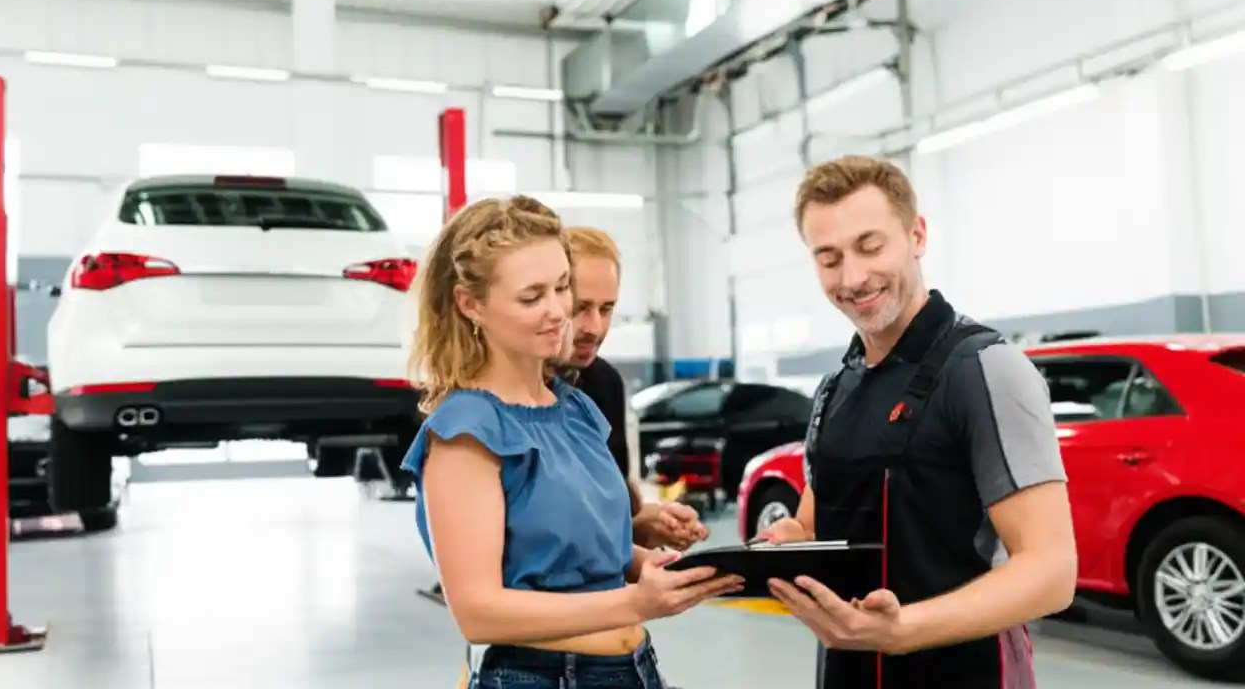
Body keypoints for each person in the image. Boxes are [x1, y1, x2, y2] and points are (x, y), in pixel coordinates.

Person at [399, 195, 743, 689]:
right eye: (531, 297)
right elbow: (477, 612)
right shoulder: (466, 432)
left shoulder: (575, 409)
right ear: (470, 304)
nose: (559, 311)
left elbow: (591, 559)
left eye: (562, 287)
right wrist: (636, 602)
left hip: (634, 668)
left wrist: (661, 568)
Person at [759, 156, 1077, 688]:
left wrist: (901, 631)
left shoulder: (985, 370)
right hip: (849, 671)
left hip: (967, 674)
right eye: (829, 259)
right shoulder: (836, 387)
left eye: (870, 247)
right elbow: (813, 526)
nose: (852, 278)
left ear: (917, 236)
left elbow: (1051, 572)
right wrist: (782, 542)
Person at [561, 226, 709, 551]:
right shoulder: (506, 401)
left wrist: (642, 527)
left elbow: (611, 518)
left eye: (606, 309)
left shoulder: (605, 383)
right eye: (580, 308)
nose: (595, 327)